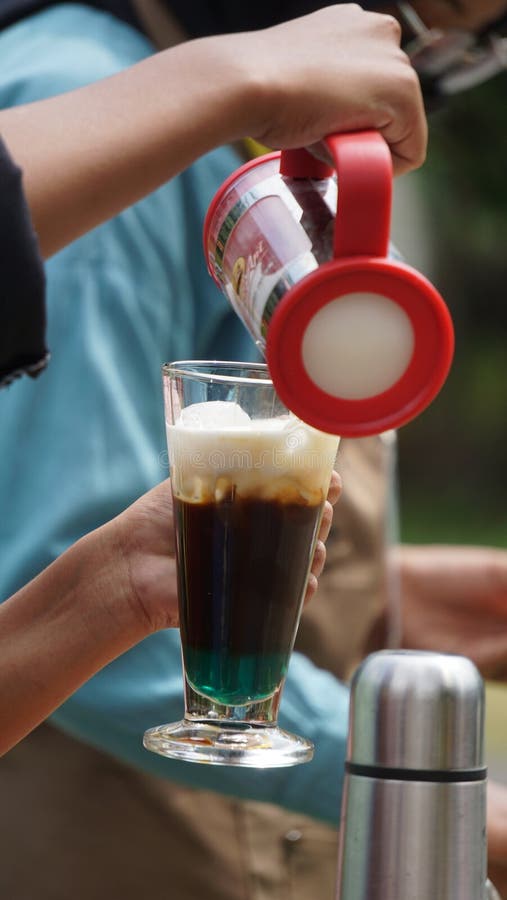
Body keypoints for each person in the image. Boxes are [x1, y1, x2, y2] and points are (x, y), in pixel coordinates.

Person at [0, 2, 506, 899]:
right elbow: (47, 561)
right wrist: (434, 795)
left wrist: (385, 603)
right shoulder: (107, 112)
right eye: (453, 16)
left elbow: (149, 555)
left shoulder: (234, 120)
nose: (452, 55)